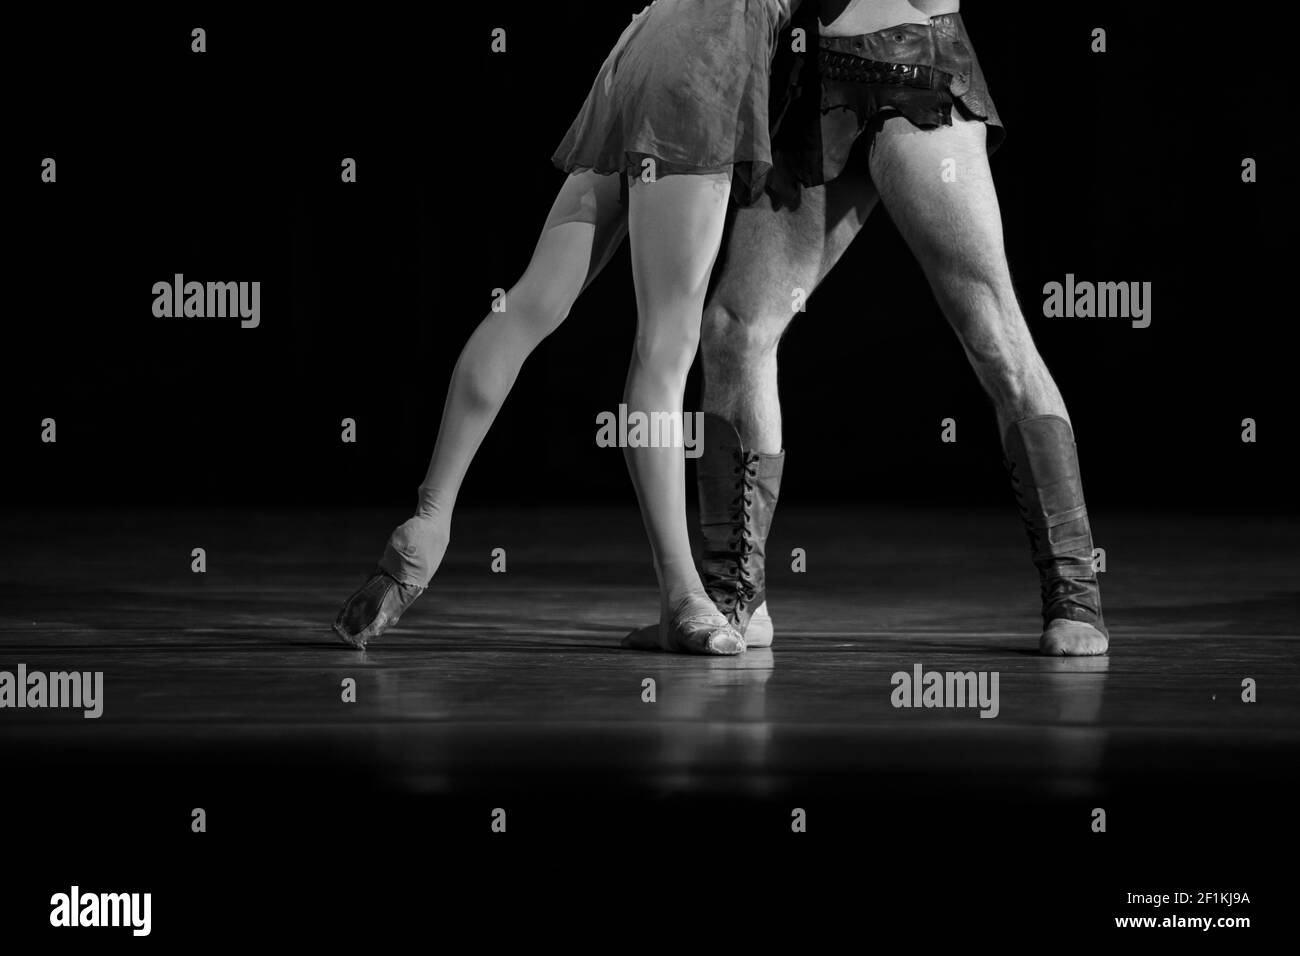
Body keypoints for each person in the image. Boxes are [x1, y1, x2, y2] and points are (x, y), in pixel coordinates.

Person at [333, 0, 805, 655]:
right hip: (705, 57)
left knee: (530, 302)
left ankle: (427, 522)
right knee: (666, 345)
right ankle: (682, 599)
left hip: (640, 49)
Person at [659, 0, 1109, 656]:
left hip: (913, 64)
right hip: (811, 76)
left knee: (993, 332)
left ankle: (1076, 596)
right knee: (735, 327)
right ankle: (735, 598)